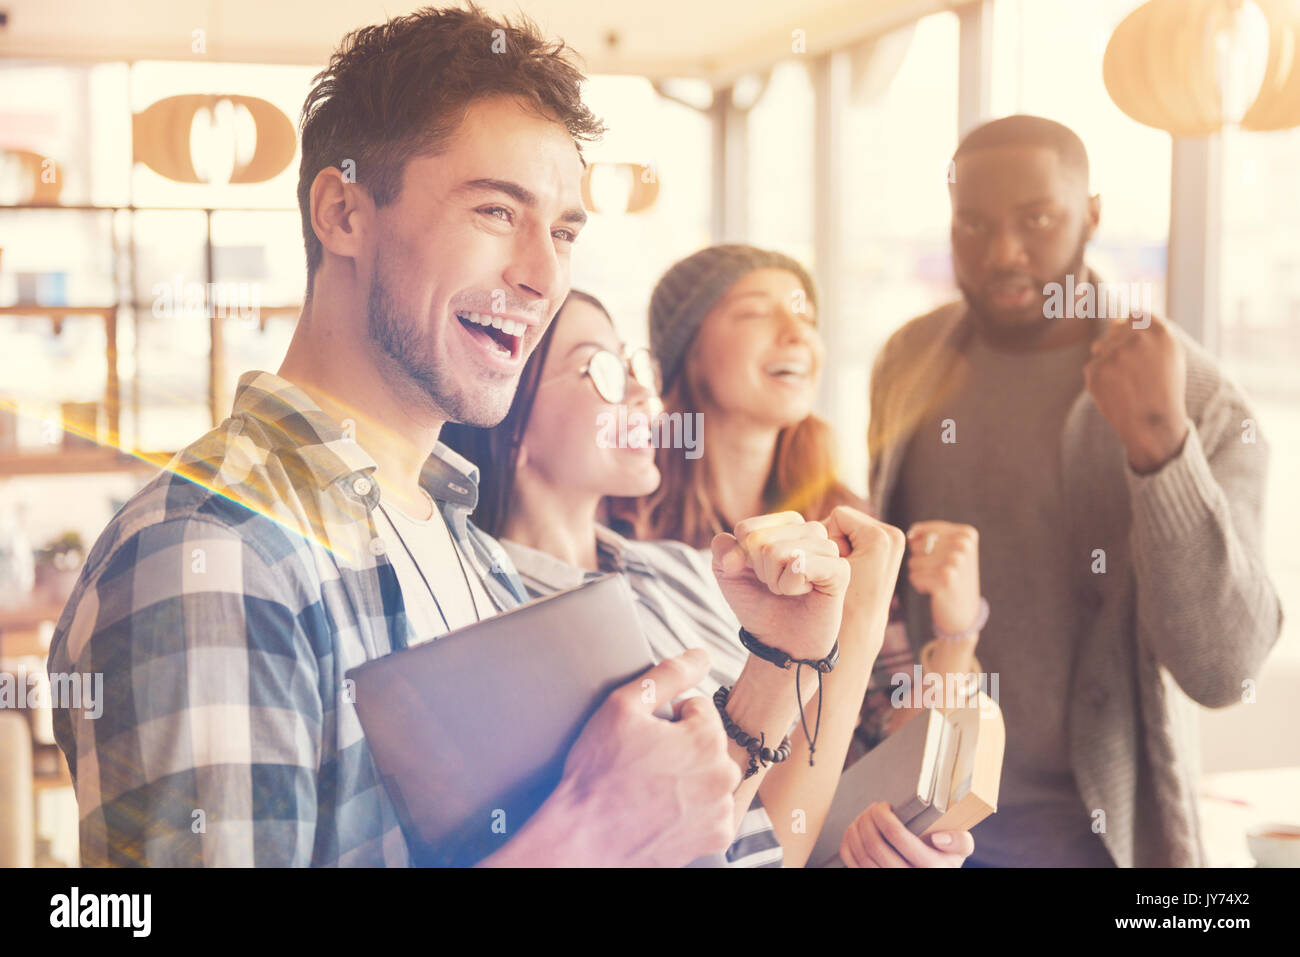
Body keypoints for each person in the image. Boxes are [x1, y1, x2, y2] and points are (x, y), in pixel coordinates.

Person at [44, 6, 839, 868]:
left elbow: (678, 839)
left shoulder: (461, 543)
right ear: (343, 212)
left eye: (564, 232)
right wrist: (584, 837)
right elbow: (599, 836)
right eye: (497, 211)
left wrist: (782, 654)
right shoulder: (211, 552)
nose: (542, 275)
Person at [866, 114, 1283, 866]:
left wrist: (1162, 450)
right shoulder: (910, 360)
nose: (1004, 254)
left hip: (1103, 838)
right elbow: (886, 598)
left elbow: (1224, 670)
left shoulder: (1199, 395)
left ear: (1092, 213)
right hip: (920, 824)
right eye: (973, 224)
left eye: (1037, 219)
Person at [443, 290, 969, 867]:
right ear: (508, 415)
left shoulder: (681, 566)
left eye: (634, 364)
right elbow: (739, 851)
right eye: (600, 369)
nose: (645, 394)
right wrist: (856, 630)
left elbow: (804, 794)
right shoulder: (496, 617)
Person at [606, 245, 986, 866]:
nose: (797, 335)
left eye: (804, 315)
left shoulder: (848, 525)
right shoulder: (622, 528)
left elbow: (897, 738)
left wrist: (955, 631)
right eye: (757, 312)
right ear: (687, 352)